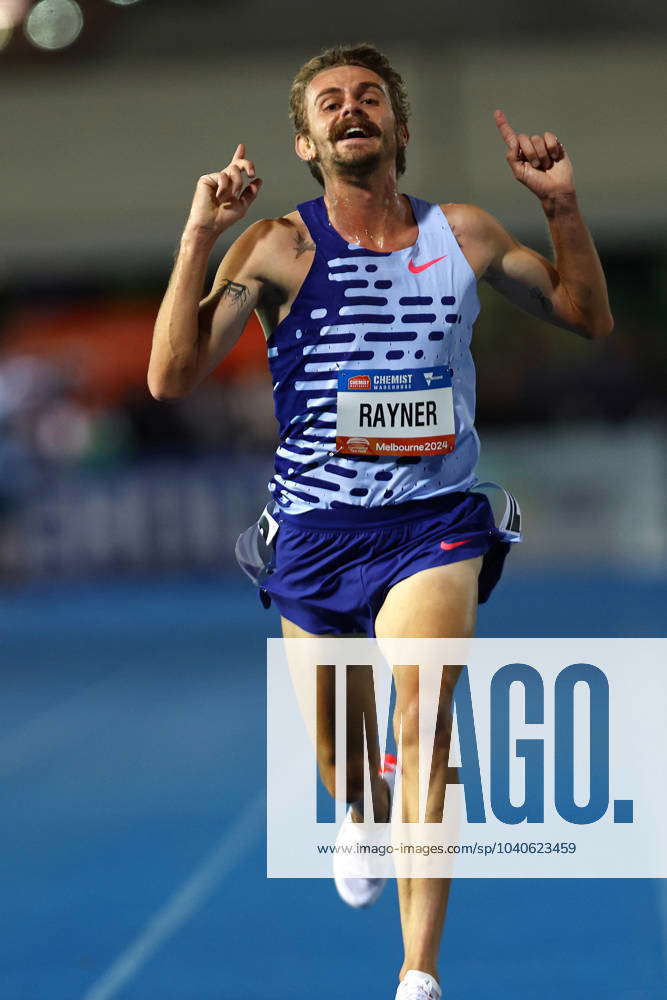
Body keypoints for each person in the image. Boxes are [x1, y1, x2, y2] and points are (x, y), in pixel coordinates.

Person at [148, 42, 613, 1000]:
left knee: (424, 717)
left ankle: (418, 972)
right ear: (306, 142)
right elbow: (170, 377)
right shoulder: (277, 246)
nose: (350, 109)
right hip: (315, 534)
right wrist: (198, 235)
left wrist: (561, 206)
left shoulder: (464, 234)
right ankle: (358, 806)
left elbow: (584, 315)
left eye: (368, 97)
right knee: (343, 756)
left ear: (400, 127)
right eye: (329, 102)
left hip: (430, 524)